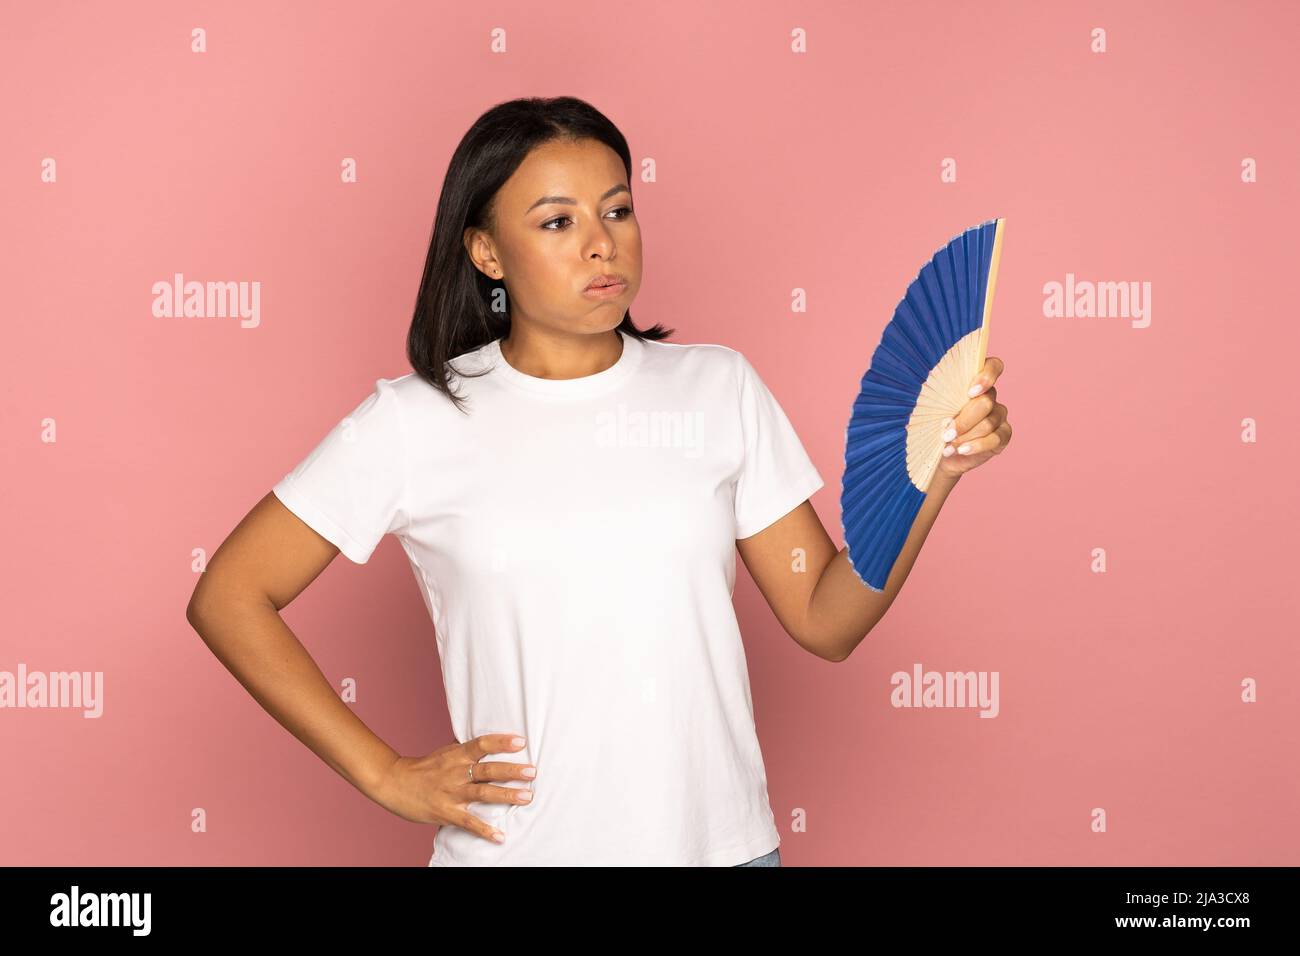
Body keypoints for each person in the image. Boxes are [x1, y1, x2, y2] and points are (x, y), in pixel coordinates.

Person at [185, 96, 1012, 867]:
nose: (601, 242)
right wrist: (385, 774)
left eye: (617, 209)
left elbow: (826, 619)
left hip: (721, 853)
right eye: (557, 221)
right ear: (485, 252)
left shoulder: (717, 388)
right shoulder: (416, 421)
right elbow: (229, 595)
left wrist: (933, 472)